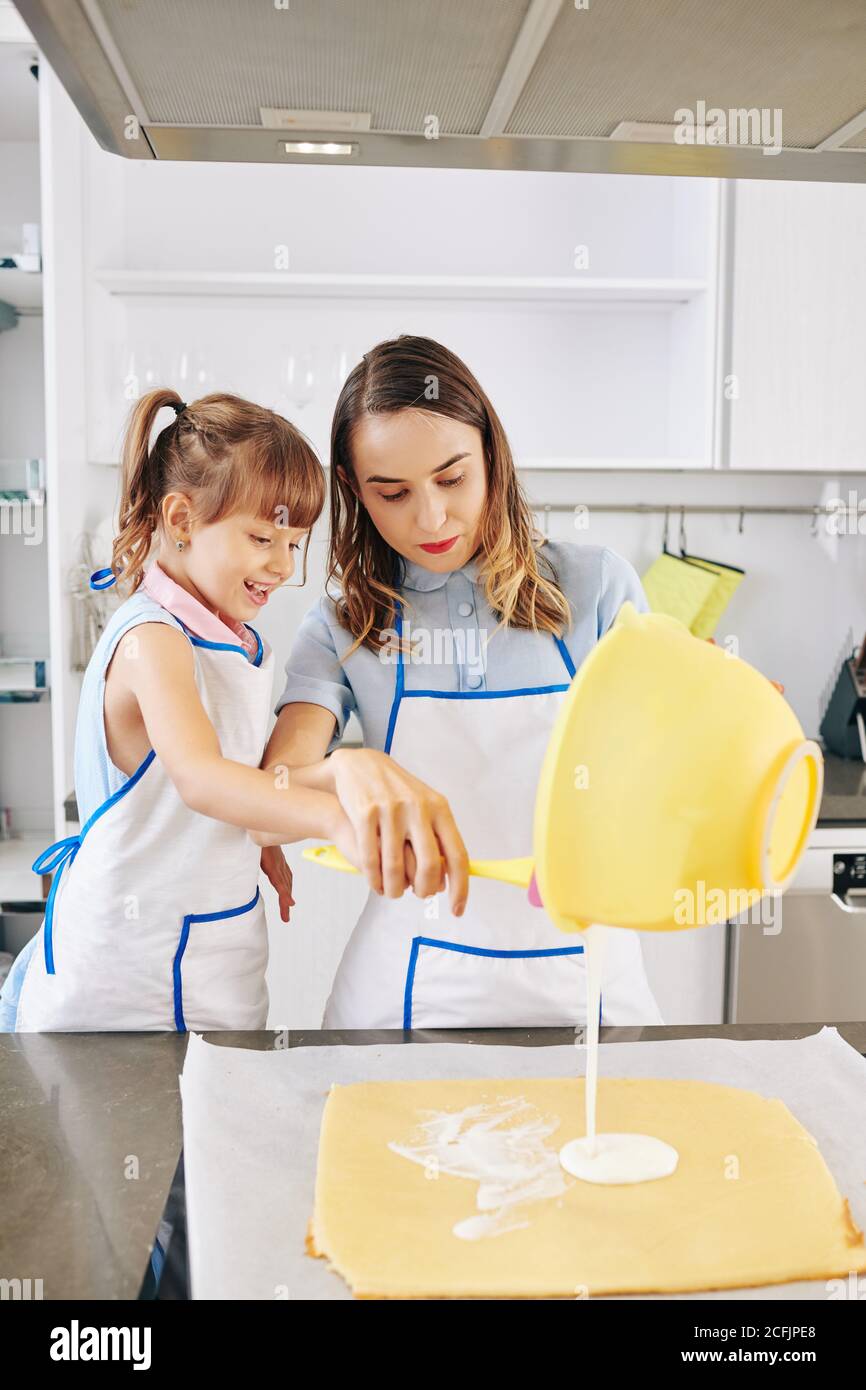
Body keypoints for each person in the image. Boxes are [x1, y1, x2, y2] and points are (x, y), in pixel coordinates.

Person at [0, 388, 465, 1032]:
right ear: (183, 520)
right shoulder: (153, 640)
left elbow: (245, 783)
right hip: (124, 978)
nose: (281, 564)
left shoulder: (238, 640)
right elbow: (203, 780)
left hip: (213, 952)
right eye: (261, 536)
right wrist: (337, 819)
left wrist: (262, 837)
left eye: (295, 543)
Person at [260, 335, 665, 1029]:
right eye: (392, 493)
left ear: (492, 461)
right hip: (404, 986)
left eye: (452, 479)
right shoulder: (344, 623)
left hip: (588, 975)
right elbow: (272, 791)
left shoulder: (597, 587)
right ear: (356, 492)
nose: (431, 518)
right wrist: (346, 769)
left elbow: (661, 765)